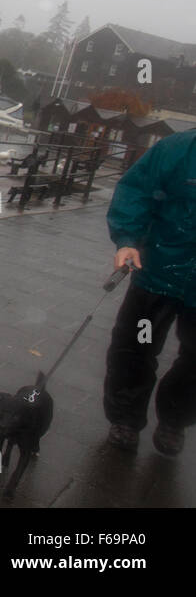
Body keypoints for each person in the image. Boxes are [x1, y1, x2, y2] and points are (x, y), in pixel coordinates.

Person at [102, 128, 196, 455]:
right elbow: (137, 190)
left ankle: (175, 418)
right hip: (157, 274)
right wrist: (127, 239)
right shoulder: (177, 150)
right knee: (137, 347)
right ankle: (126, 417)